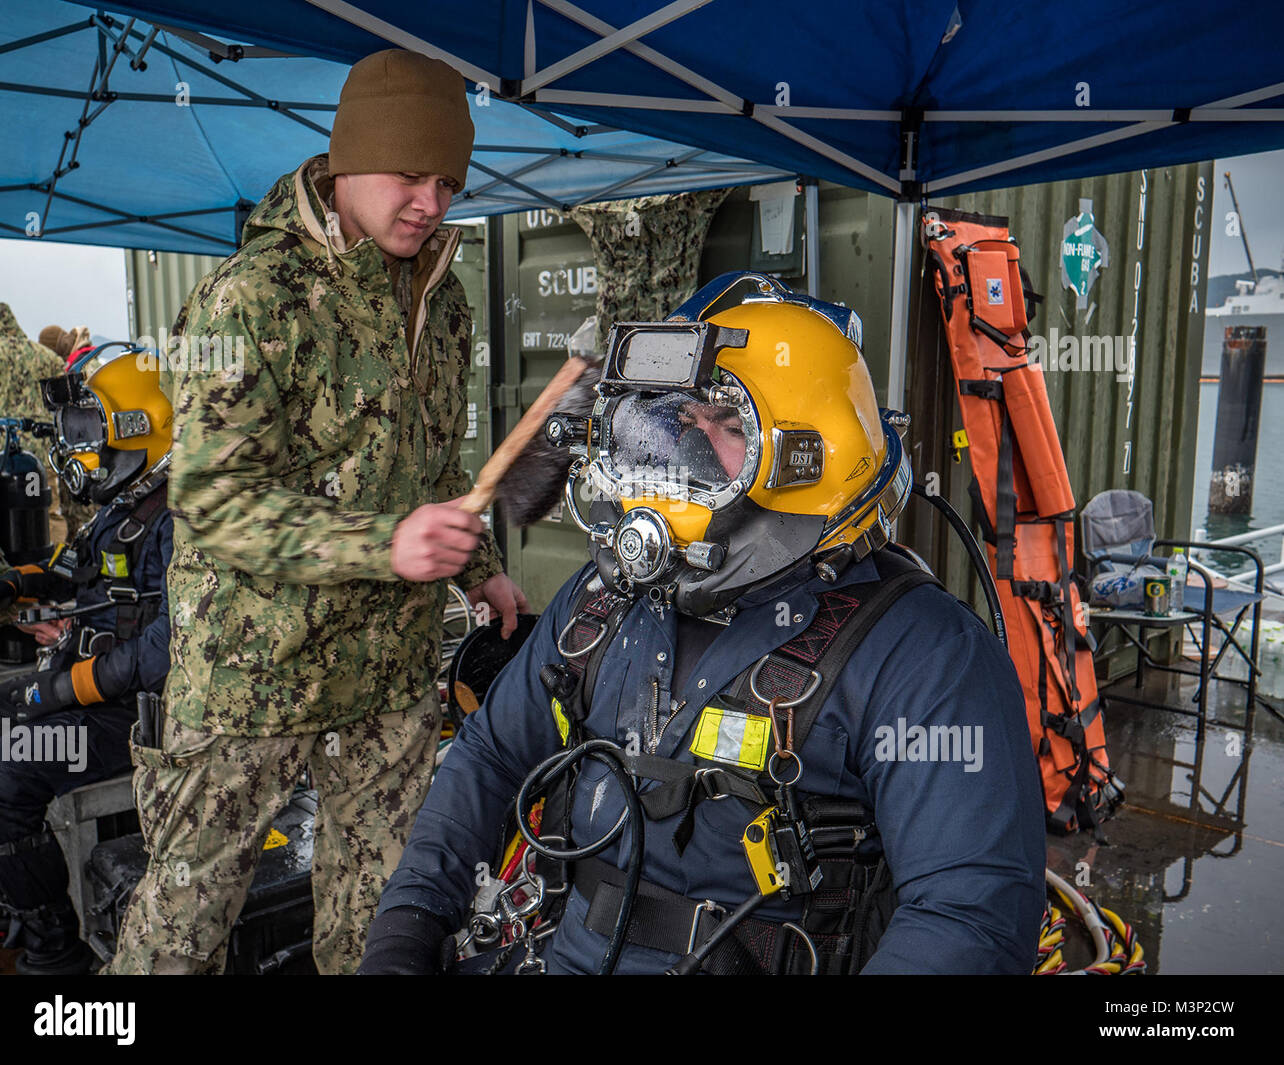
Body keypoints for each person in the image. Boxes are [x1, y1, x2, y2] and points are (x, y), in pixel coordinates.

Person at [360, 274, 1047, 975]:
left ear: (810, 453)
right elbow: (489, 757)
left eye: (722, 428)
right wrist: (405, 933)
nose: (672, 459)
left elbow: (969, 916)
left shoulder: (927, 655)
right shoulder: (600, 605)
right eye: (672, 423)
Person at [105, 48, 527, 976]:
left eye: (449, 182)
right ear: (347, 162)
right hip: (253, 675)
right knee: (177, 932)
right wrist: (390, 543)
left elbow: (431, 461)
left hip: (387, 675)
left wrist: (478, 562)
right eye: (411, 174)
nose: (432, 202)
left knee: (384, 923)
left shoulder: (443, 302)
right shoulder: (247, 299)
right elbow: (215, 502)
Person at [0, 347, 173, 975]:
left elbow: (166, 651)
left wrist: (64, 690)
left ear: (139, 431)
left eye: (91, 431)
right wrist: (15, 583)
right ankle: (11, 885)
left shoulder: (182, 521)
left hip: (142, 718)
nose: (79, 448)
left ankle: (54, 943)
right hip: (91, 691)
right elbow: (70, 570)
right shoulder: (121, 508)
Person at [0, 303, 95, 542]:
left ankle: (8, 572)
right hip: (43, 452)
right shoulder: (47, 356)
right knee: (47, 509)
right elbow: (66, 407)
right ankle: (52, 570)